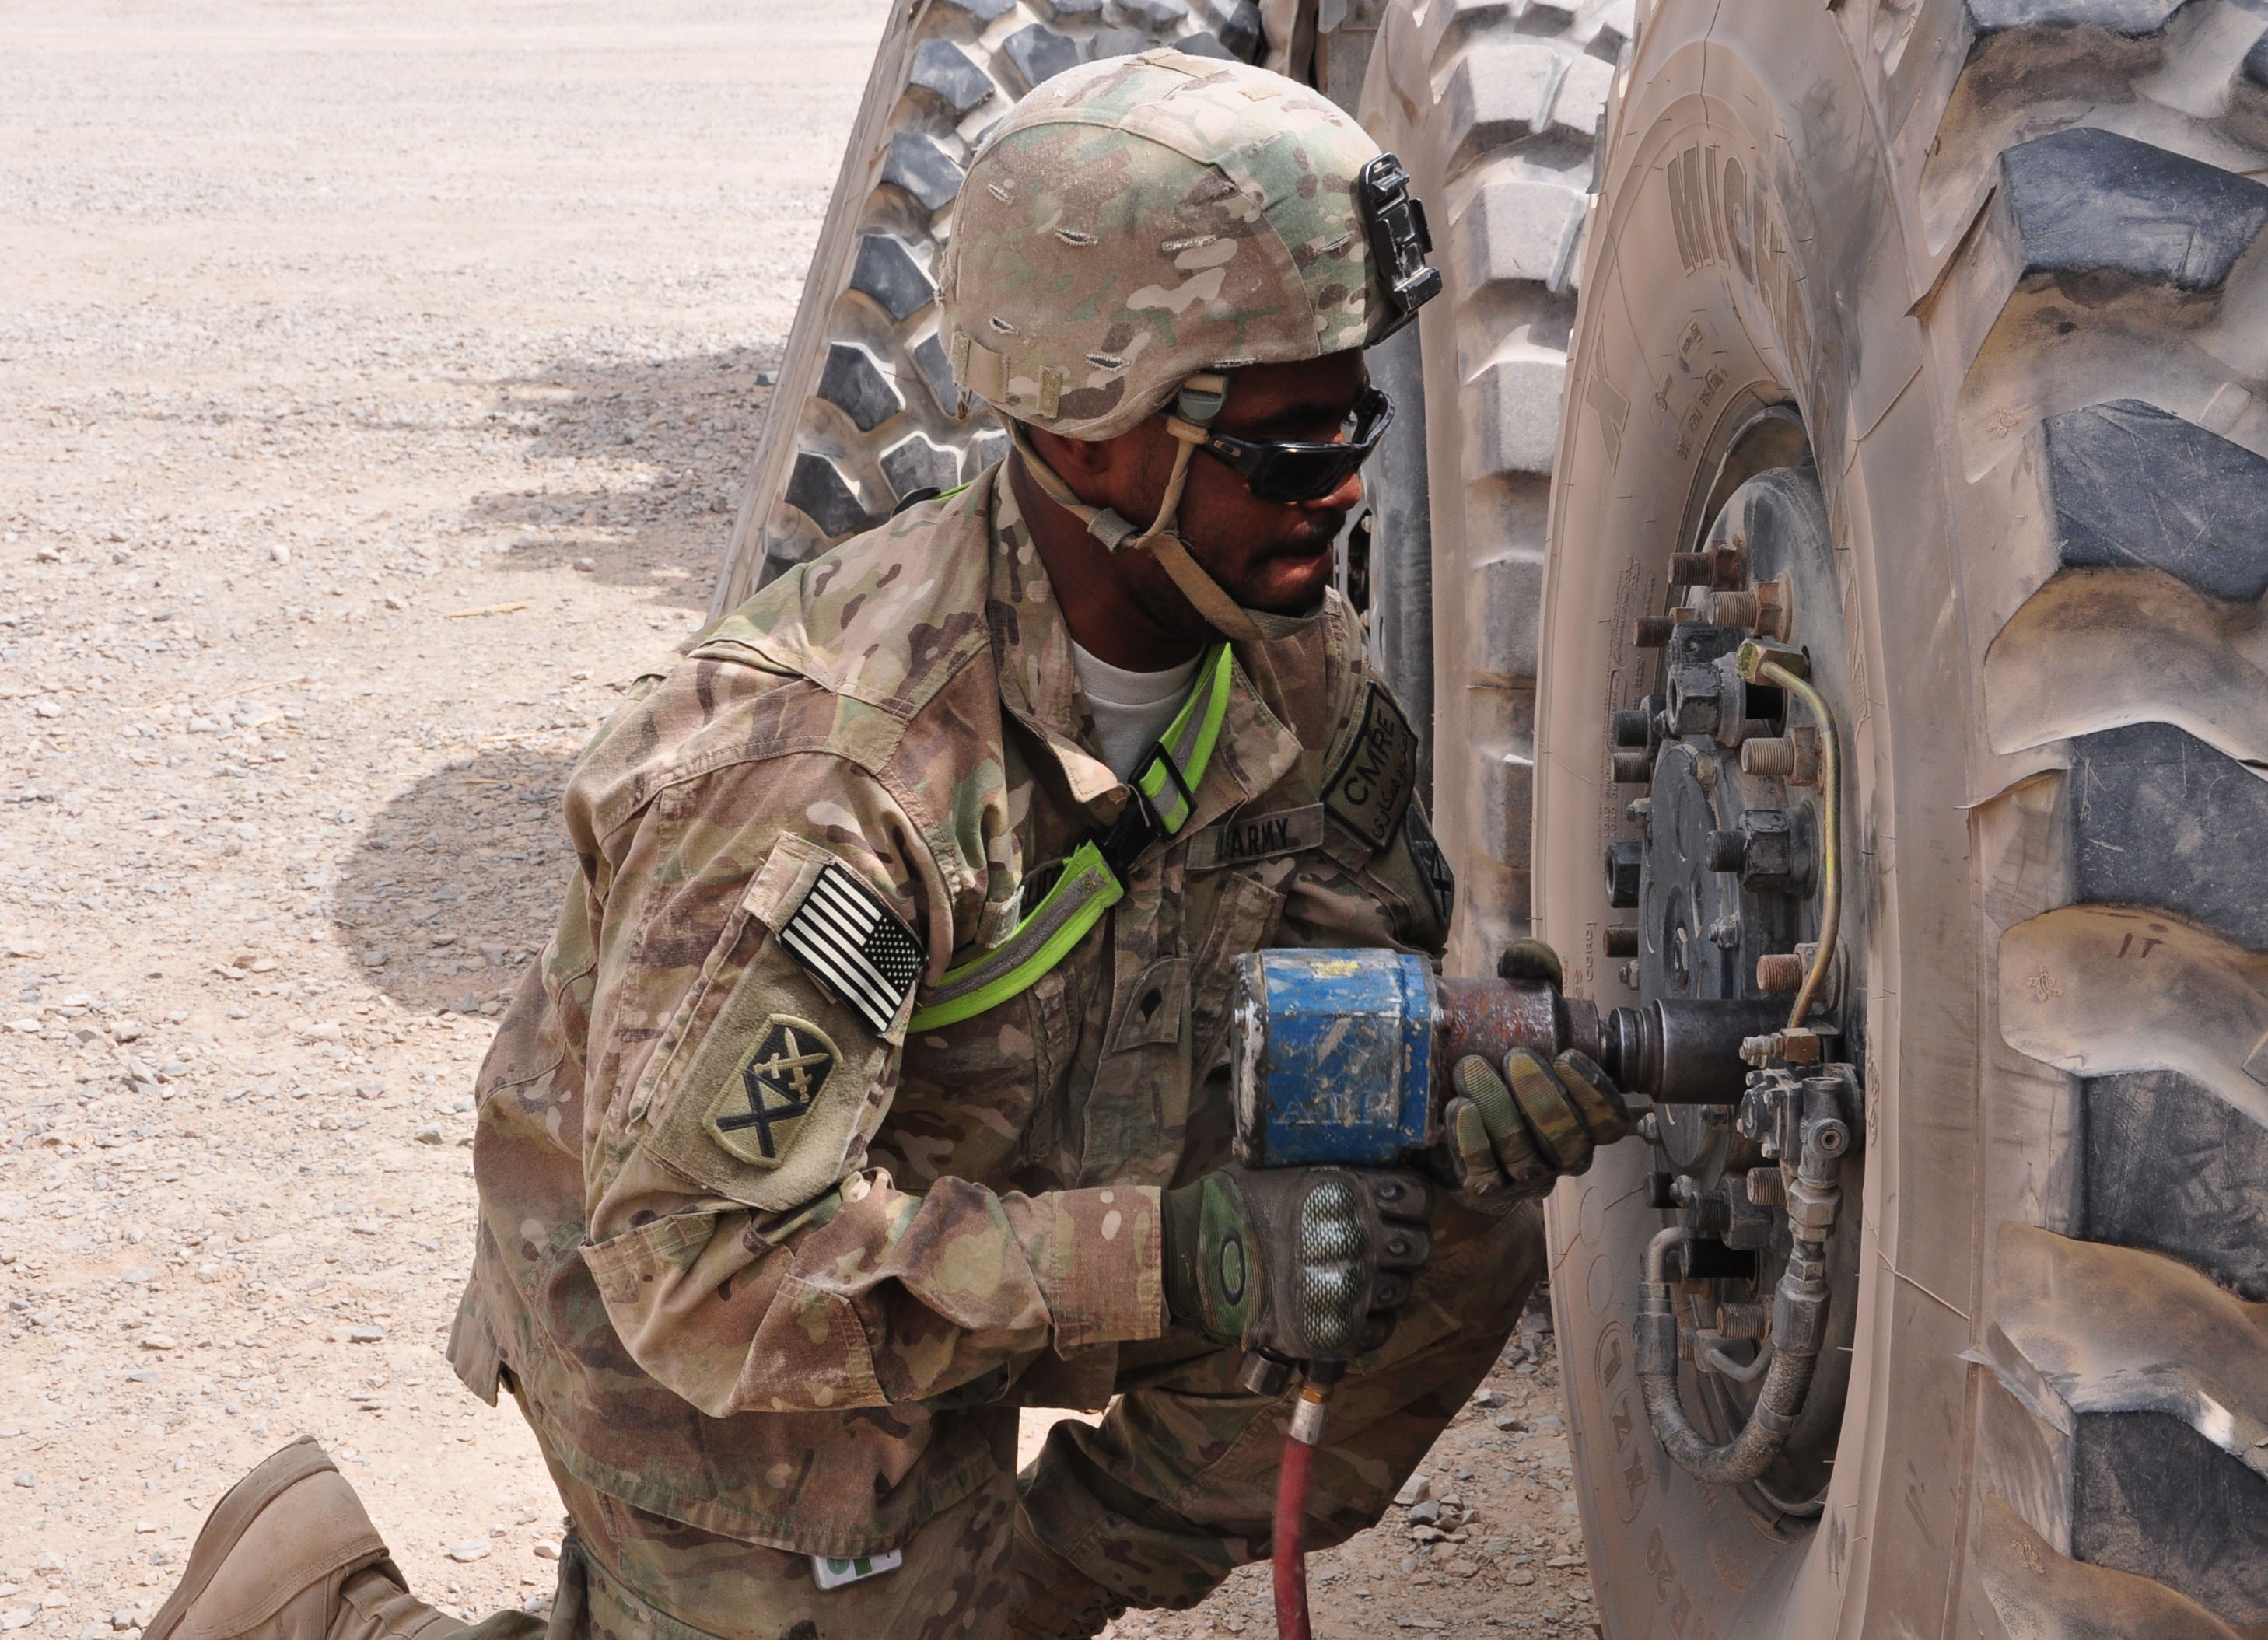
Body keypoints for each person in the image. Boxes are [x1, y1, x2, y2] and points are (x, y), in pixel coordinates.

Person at [145, 47, 1629, 1640]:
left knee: (1425, 1228)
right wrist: (1192, 1253)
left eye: (1359, 428)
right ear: (1091, 431)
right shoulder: (825, 773)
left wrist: (1457, 1073)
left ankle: (980, 1604)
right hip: (707, 1319)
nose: (1342, 492)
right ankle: (318, 1609)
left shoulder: (1296, 672)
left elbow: (1342, 989)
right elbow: (705, 1266)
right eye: (1290, 447)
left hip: (998, 1189)